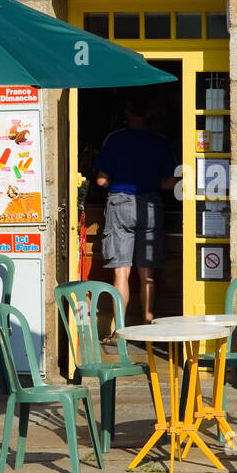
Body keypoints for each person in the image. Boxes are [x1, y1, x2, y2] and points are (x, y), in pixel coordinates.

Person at [94, 96, 177, 324]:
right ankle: (148, 323)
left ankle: (119, 328)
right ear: (148, 114)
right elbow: (171, 183)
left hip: (120, 204)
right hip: (150, 205)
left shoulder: (114, 139)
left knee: (121, 272)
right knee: (147, 275)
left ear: (127, 113)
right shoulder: (159, 142)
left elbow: (101, 181)